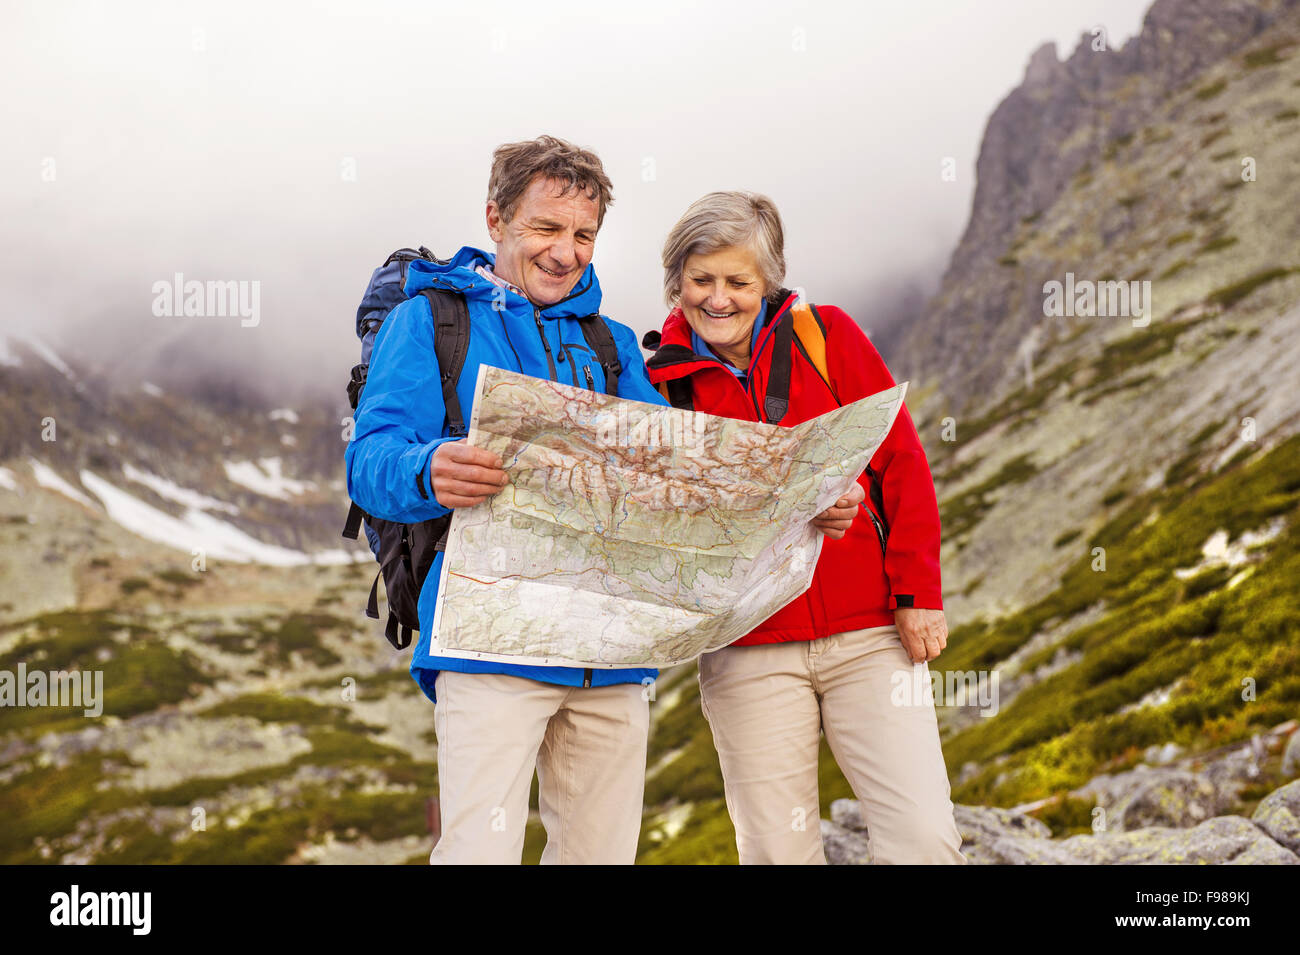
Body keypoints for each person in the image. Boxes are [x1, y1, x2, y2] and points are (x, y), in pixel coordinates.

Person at [345, 135, 668, 865]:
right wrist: (430, 468)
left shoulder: (612, 343)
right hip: (485, 644)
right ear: (496, 220)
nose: (567, 251)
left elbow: (665, 464)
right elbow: (368, 461)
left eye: (584, 235)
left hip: (608, 654)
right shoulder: (431, 320)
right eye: (547, 228)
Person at [645, 190, 966, 865]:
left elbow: (901, 459)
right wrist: (788, 504)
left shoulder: (830, 336)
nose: (720, 298)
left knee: (924, 839)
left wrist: (918, 595)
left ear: (768, 280)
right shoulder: (659, 387)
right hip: (748, 650)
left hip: (870, 634)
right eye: (702, 280)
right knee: (776, 852)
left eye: (739, 280)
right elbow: (664, 523)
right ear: (677, 285)